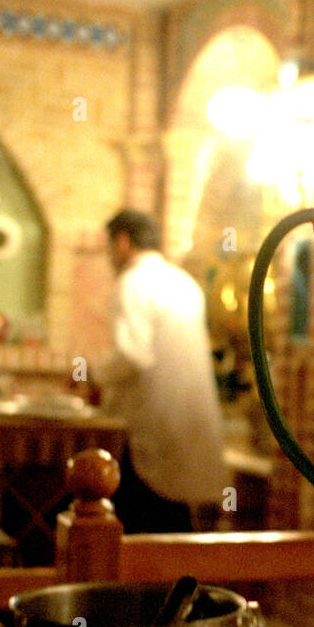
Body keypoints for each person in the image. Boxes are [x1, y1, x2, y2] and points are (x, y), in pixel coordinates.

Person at [91, 209, 229, 533]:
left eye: (110, 247)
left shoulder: (132, 282)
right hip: (188, 423)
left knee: (140, 534)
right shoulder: (184, 282)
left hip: (155, 427)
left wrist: (92, 374)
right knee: (175, 527)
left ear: (123, 242)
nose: (110, 257)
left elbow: (132, 356)